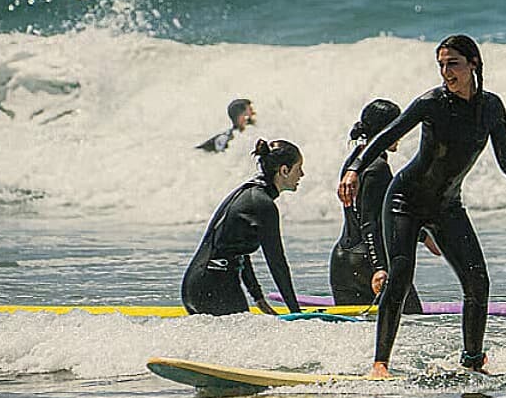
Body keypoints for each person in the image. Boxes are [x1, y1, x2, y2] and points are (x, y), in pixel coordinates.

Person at [337, 34, 506, 378]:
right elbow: (384, 136)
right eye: (441, 65)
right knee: (400, 276)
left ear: (473, 64)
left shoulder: (490, 108)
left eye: (453, 64)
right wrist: (354, 168)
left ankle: (472, 359)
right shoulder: (431, 103)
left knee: (478, 282)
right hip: (405, 201)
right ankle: (380, 363)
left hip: (446, 206)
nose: (446, 72)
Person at [330, 99, 441, 309]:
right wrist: (380, 267)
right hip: (368, 265)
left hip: (343, 261)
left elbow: (375, 213)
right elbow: (371, 223)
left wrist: (422, 236)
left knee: (354, 336)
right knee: (413, 324)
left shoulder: (354, 160)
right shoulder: (377, 168)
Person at [181, 139, 304, 316]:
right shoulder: (262, 204)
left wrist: (258, 297)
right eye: (298, 168)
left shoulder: (250, 194)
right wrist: (296, 312)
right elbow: (277, 263)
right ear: (284, 170)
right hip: (216, 286)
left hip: (197, 285)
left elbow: (237, 250)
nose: (302, 174)